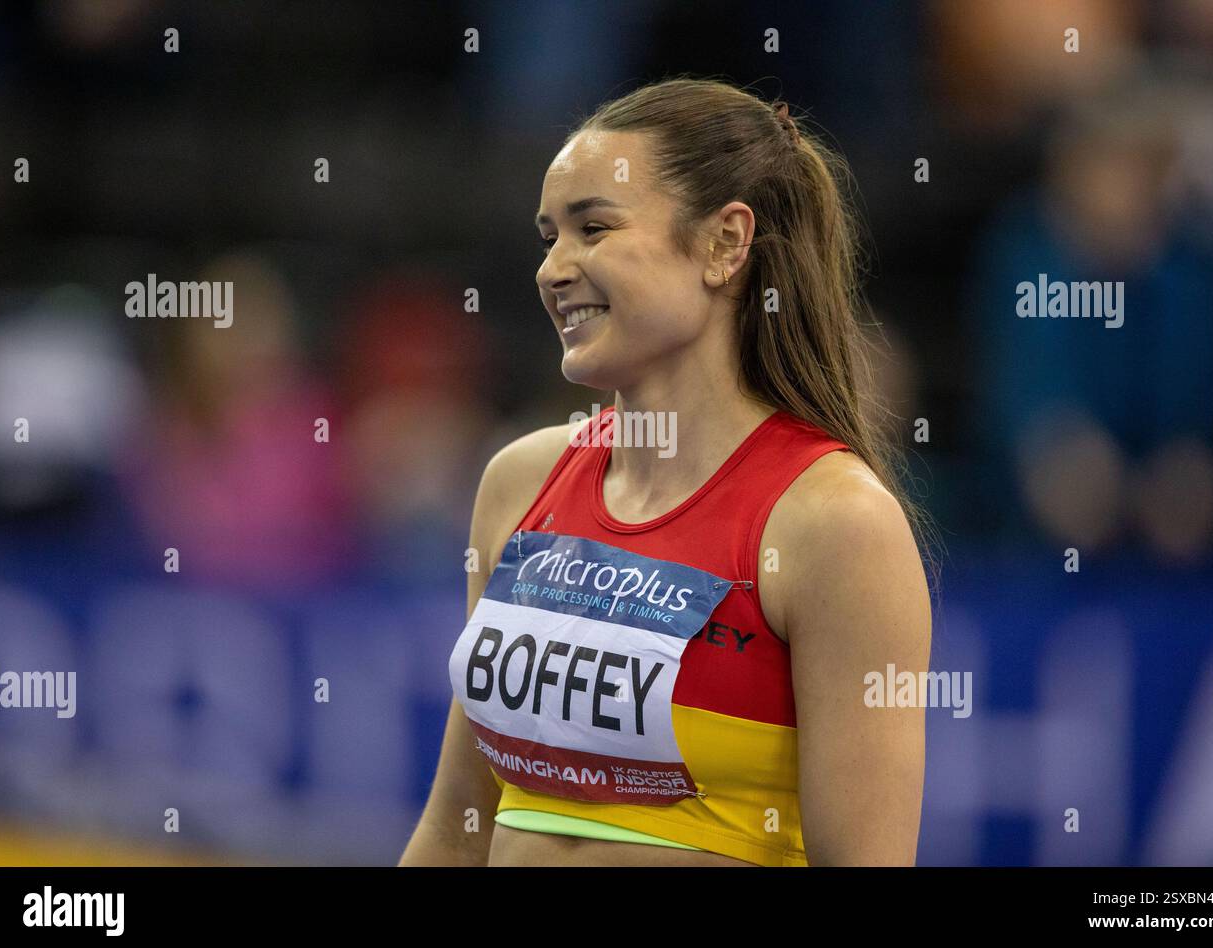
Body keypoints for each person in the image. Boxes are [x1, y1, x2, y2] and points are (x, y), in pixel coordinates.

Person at [400, 78, 934, 867]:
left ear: (725, 244)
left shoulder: (833, 523)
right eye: (549, 236)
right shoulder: (520, 482)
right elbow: (454, 829)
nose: (553, 269)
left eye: (593, 228)